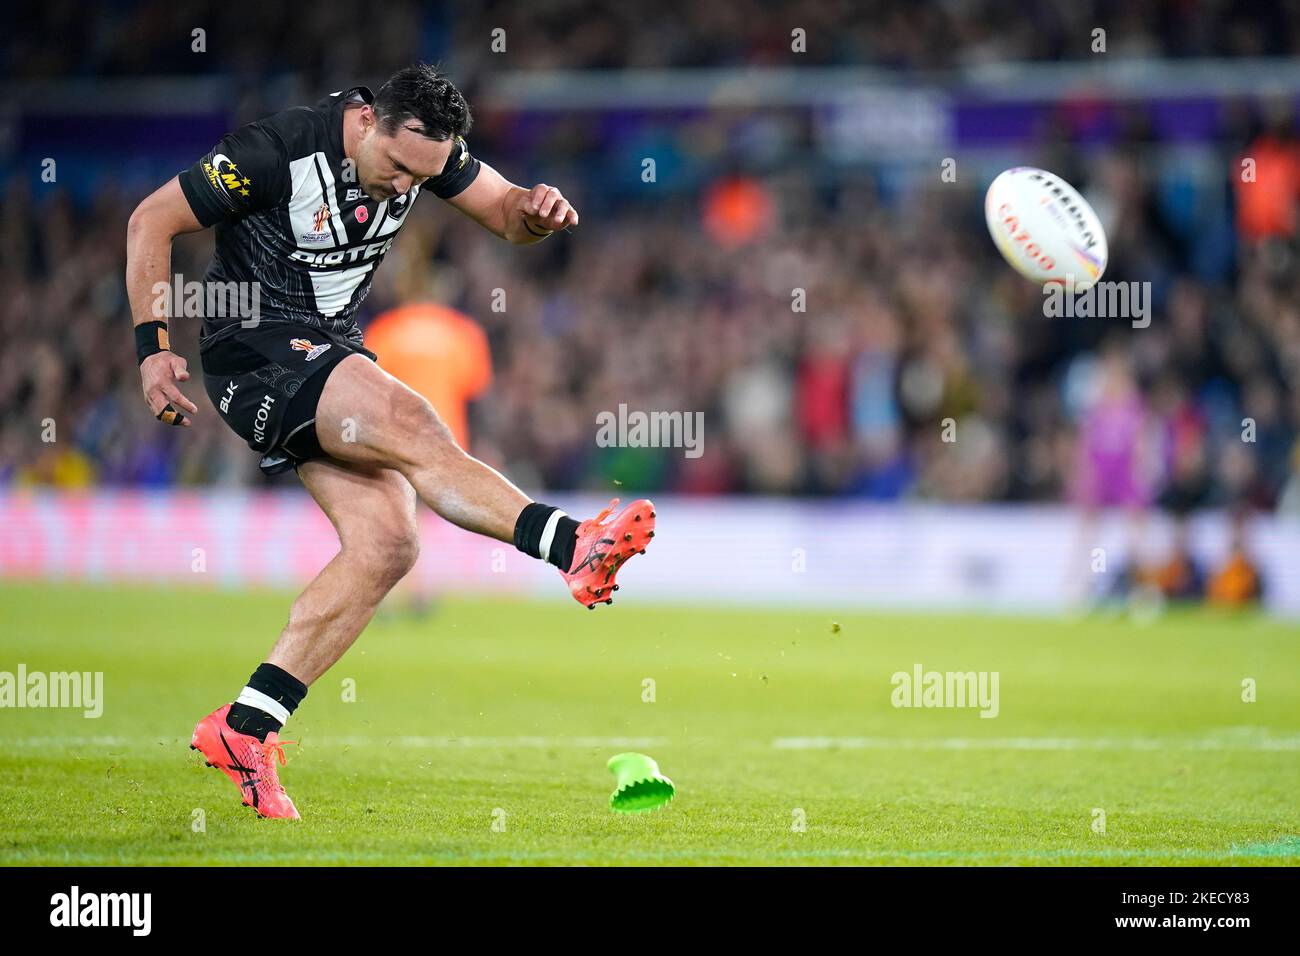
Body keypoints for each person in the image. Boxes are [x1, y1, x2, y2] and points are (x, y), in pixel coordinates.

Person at [124, 64, 656, 819]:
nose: (405, 187)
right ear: (366, 119)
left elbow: (504, 213)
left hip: (326, 350)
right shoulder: (275, 153)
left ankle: (247, 727)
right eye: (397, 168)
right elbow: (152, 219)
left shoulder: (421, 155)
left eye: (424, 177)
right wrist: (153, 347)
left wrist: (535, 211)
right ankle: (572, 545)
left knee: (389, 545)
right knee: (413, 424)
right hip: (254, 351)